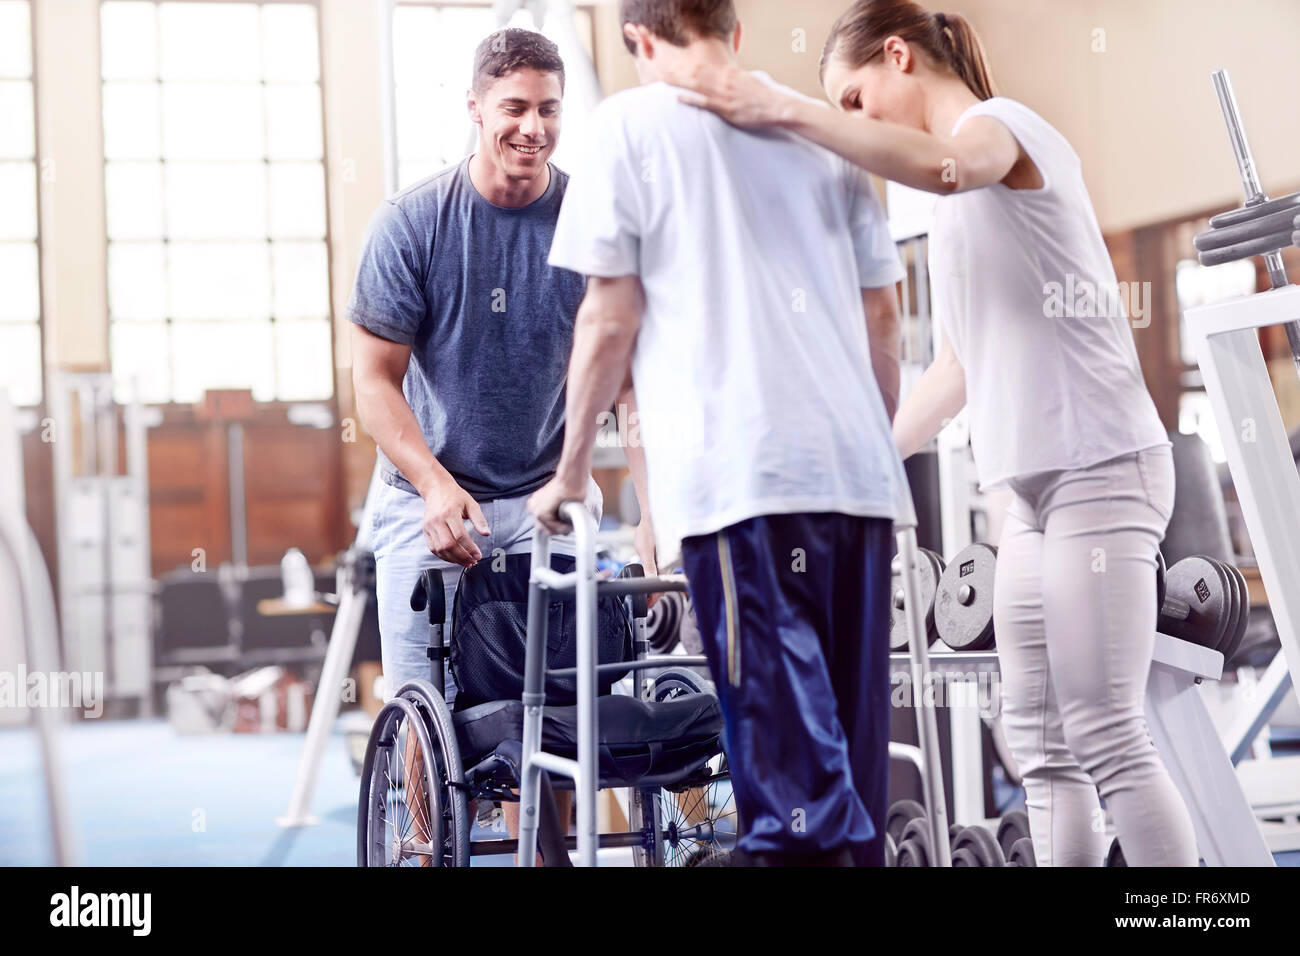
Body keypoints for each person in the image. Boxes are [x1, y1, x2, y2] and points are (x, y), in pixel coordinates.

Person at [665, 0, 1197, 866]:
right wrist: (857, 460)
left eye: (853, 99)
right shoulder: (950, 210)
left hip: (1101, 466)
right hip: (1024, 488)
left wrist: (786, 109)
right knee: (1039, 744)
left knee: (1106, 734)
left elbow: (951, 165)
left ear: (900, 57)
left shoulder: (999, 130)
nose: (849, 122)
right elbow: (954, 370)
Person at [527, 0, 909, 867]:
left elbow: (608, 318)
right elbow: (882, 316)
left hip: (746, 493)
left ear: (637, 40)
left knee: (794, 809)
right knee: (847, 777)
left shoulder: (626, 125)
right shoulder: (820, 127)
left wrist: (570, 470)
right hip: (858, 487)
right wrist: (863, 439)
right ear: (735, 32)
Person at [349, 27, 643, 855]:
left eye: (550, 109)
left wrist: (654, 518)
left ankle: (540, 856)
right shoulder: (413, 225)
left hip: (547, 500)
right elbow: (374, 382)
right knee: (426, 709)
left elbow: (628, 385)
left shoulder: (591, 224)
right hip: (428, 498)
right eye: (514, 107)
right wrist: (437, 485)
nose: (534, 128)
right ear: (476, 108)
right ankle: (423, 843)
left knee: (553, 711)